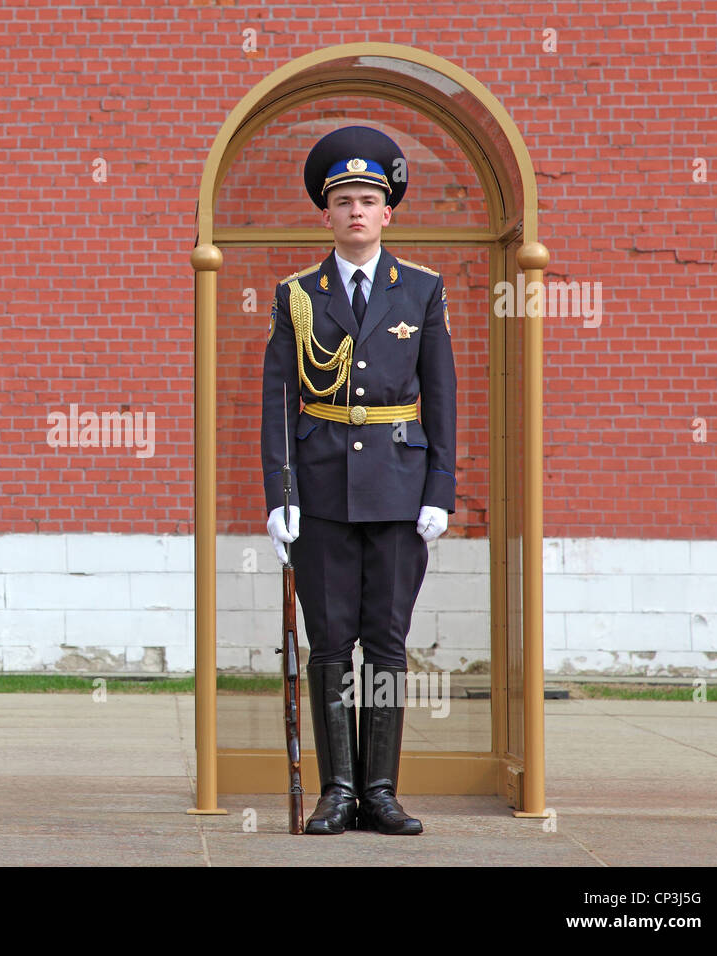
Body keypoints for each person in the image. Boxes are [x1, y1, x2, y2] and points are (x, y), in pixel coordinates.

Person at [260, 126, 457, 835]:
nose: (355, 211)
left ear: (387, 213)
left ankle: (381, 791)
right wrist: (280, 497)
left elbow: (442, 393)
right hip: (319, 493)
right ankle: (336, 790)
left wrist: (440, 489)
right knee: (332, 637)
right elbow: (281, 398)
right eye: (342, 200)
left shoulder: (423, 291)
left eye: (368, 200)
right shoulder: (297, 295)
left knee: (386, 640)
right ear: (325, 213)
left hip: (401, 487)